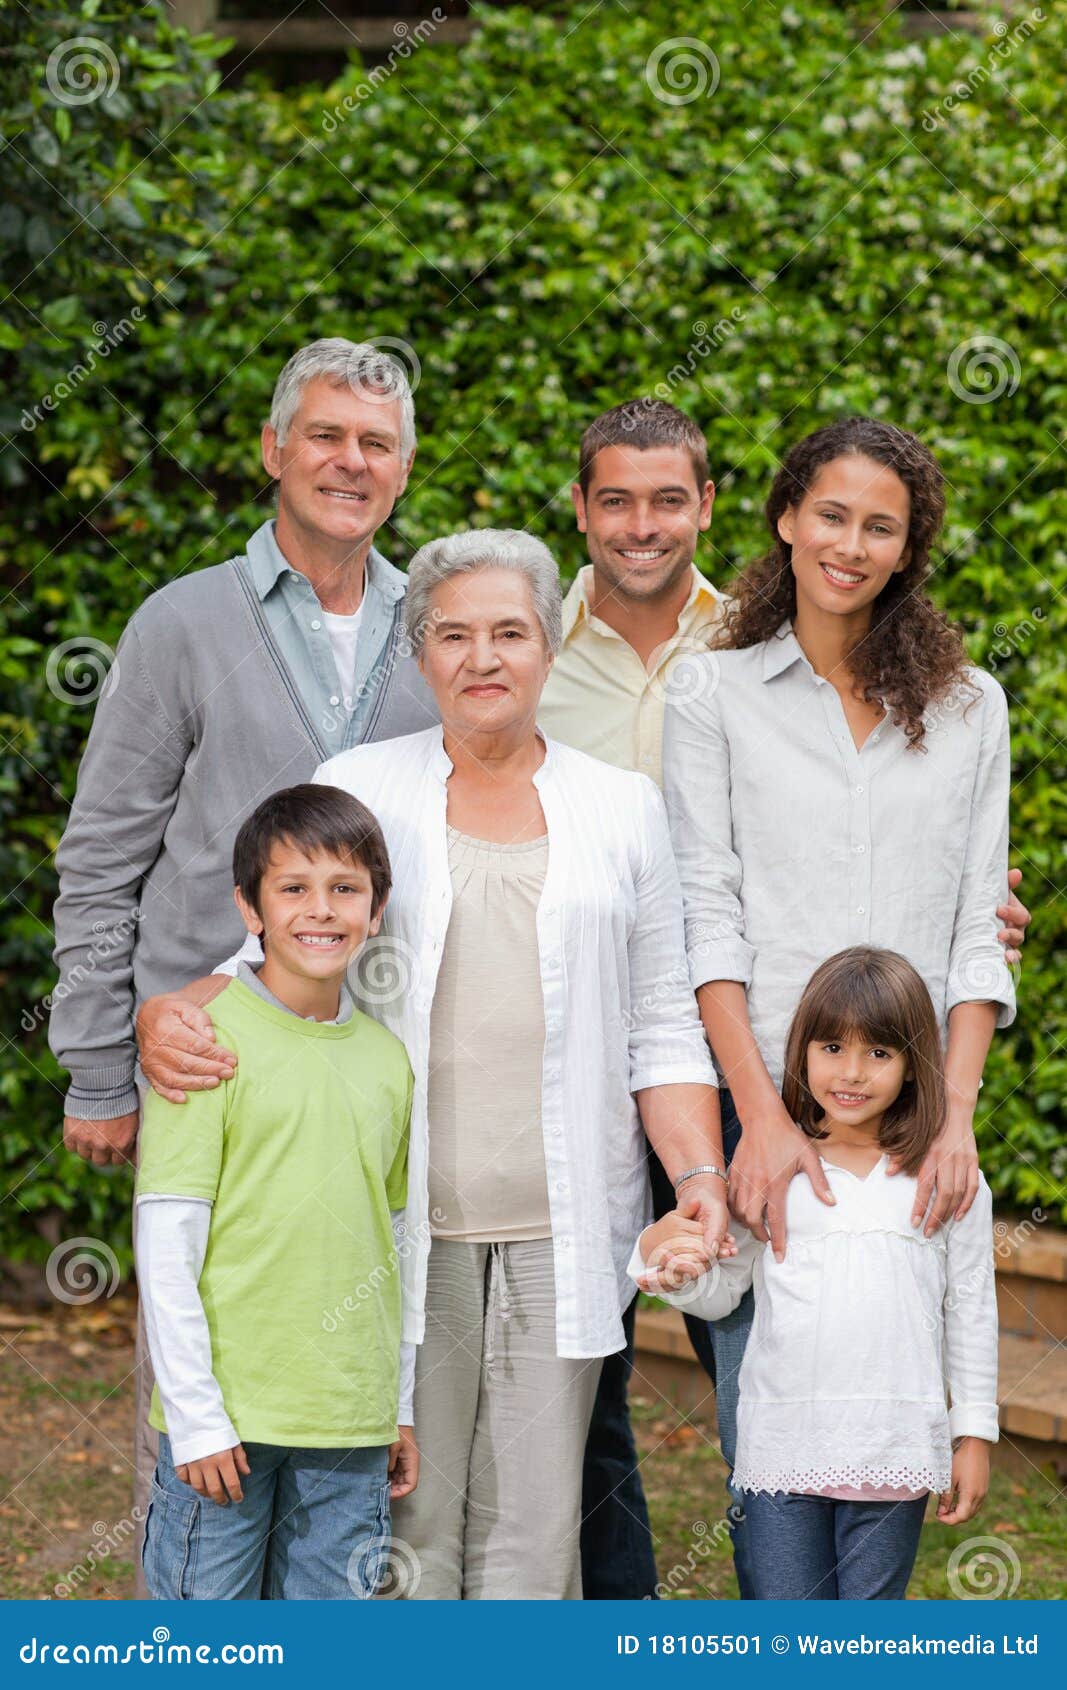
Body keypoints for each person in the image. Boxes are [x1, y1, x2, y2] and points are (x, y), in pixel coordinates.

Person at [134, 528, 731, 1601]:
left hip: (559, 1228)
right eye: (451, 634)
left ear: (549, 645)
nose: (481, 657)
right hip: (398, 1225)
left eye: (508, 631)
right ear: (419, 658)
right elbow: (280, 945)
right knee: (402, 1535)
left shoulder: (621, 807)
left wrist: (695, 1182)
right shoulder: (364, 783)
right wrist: (166, 1017)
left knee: (533, 1544)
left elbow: (659, 1023)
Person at [538, 400, 1027, 1600]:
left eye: (880, 527)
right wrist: (753, 1114)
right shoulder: (715, 694)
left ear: (908, 549)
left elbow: (976, 928)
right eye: (830, 516)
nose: (850, 546)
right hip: (771, 1113)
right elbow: (708, 915)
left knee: (879, 1447)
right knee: (765, 1446)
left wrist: (952, 1116)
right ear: (781, 518)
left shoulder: (969, 709)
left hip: (908, 1124)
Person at [49, 338, 437, 1584]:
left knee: (332, 1382)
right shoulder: (182, 621)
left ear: (405, 466)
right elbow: (103, 853)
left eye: (375, 442)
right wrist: (99, 1062)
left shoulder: (431, 634)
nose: (349, 460)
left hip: (366, 1057)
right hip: (205, 1066)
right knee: (200, 1401)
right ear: (275, 449)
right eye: (325, 435)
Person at [634, 948, 999, 1601]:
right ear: (800, 1049)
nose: (851, 1072)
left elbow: (970, 1309)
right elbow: (720, 1295)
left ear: (915, 1064)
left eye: (879, 1053)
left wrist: (972, 1432)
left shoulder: (945, 1181)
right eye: (832, 1046)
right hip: (780, 1451)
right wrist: (666, 1258)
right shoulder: (771, 1176)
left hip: (893, 1452)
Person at [137, 784, 416, 1599]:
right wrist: (194, 1417)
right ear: (249, 908)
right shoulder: (203, 1043)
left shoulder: (386, 1062)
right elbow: (167, 1244)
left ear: (377, 906)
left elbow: (391, 1246)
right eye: (292, 888)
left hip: (349, 1424)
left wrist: (394, 1405)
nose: (319, 910)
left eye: (344, 888)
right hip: (226, 1422)